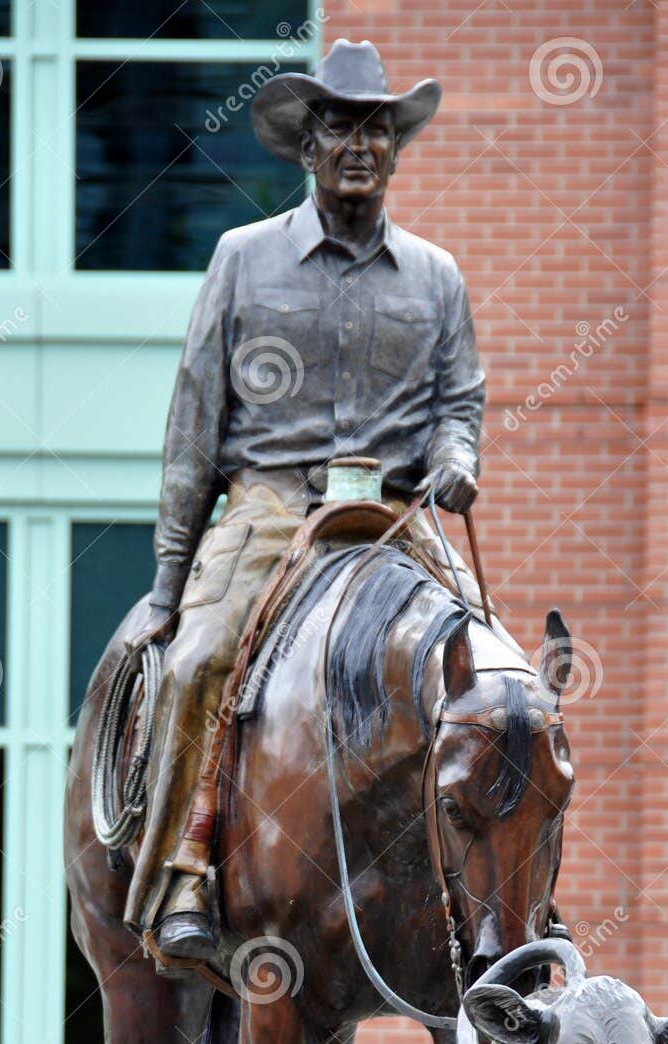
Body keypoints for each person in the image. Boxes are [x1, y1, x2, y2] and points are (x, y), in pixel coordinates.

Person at [124, 39, 488, 962]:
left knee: (496, 681)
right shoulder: (243, 259)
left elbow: (460, 403)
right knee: (204, 658)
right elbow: (194, 420)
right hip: (270, 509)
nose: (359, 145)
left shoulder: (437, 277)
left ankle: (504, 906)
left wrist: (456, 458)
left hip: (400, 515)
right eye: (339, 128)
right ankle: (184, 870)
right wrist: (172, 580)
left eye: (376, 128)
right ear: (307, 147)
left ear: (396, 149)